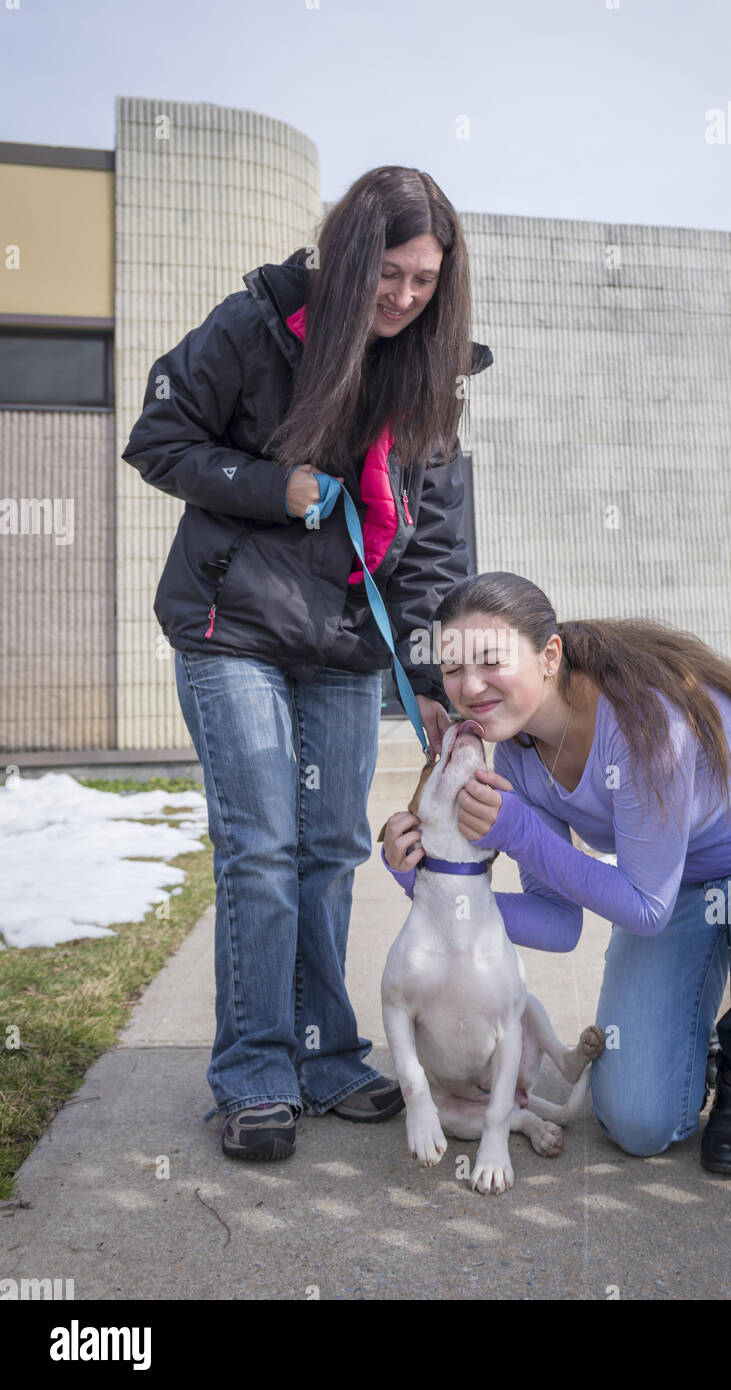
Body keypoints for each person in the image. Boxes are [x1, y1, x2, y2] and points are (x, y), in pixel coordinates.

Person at [122, 166, 493, 1159]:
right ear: (348, 254)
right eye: (390, 273)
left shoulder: (429, 376)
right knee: (263, 848)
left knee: (330, 849)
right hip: (230, 626)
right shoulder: (254, 327)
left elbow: (438, 552)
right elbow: (158, 438)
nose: (404, 297)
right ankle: (252, 1069)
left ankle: (327, 1052)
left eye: (424, 281)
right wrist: (268, 485)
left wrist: (432, 674)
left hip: (341, 643)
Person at [380, 572, 731, 1175]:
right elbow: (559, 925)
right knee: (637, 1123)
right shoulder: (520, 756)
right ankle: (690, 1040)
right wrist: (429, 883)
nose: (468, 687)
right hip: (672, 889)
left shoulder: (645, 724)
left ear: (549, 655)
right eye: (452, 669)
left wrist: (519, 833)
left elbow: (643, 909)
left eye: (489, 661)